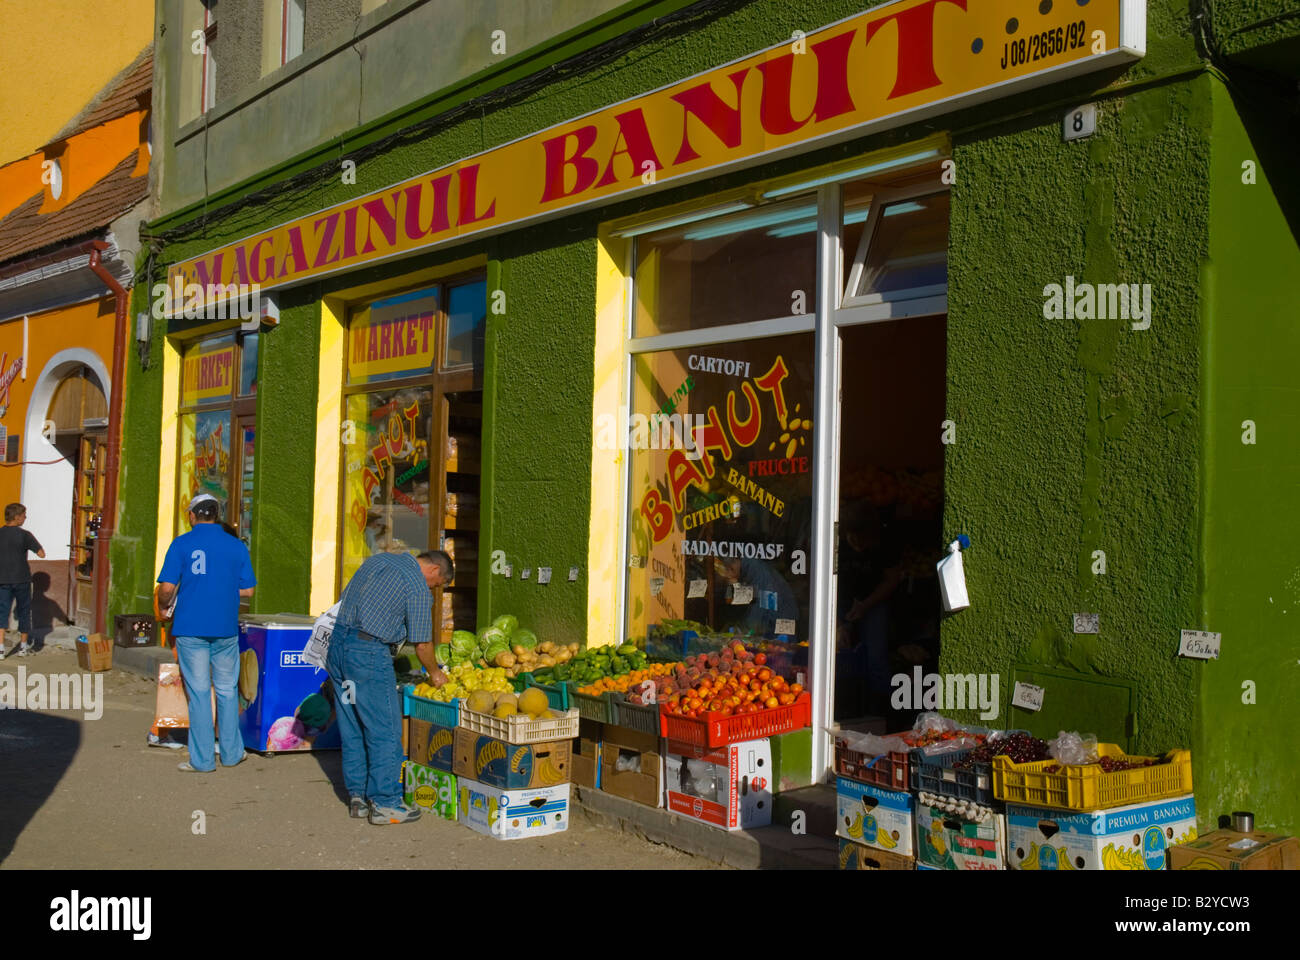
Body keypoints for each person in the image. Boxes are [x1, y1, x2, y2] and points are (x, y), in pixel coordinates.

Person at [328, 549, 452, 824]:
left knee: (353, 725)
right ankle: (385, 803)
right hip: (368, 656)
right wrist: (435, 673)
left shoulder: (379, 559)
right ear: (434, 571)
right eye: (438, 584)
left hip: (338, 650)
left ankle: (358, 797)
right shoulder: (417, 586)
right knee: (385, 729)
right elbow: (422, 644)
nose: (434, 589)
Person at [156, 493, 256, 773]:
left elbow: (166, 588)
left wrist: (166, 606)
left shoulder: (182, 544)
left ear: (192, 515)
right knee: (227, 690)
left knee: (199, 693)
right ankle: (232, 753)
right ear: (216, 514)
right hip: (225, 628)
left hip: (191, 627)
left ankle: (201, 760)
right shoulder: (236, 546)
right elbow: (248, 590)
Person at [0, 503, 45, 658]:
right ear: (17, 517)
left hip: (3, 579)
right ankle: (23, 648)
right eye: (24, 515)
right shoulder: (25, 535)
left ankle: (0, 650)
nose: (25, 518)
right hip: (22, 579)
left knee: (2, 612)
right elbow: (41, 554)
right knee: (24, 611)